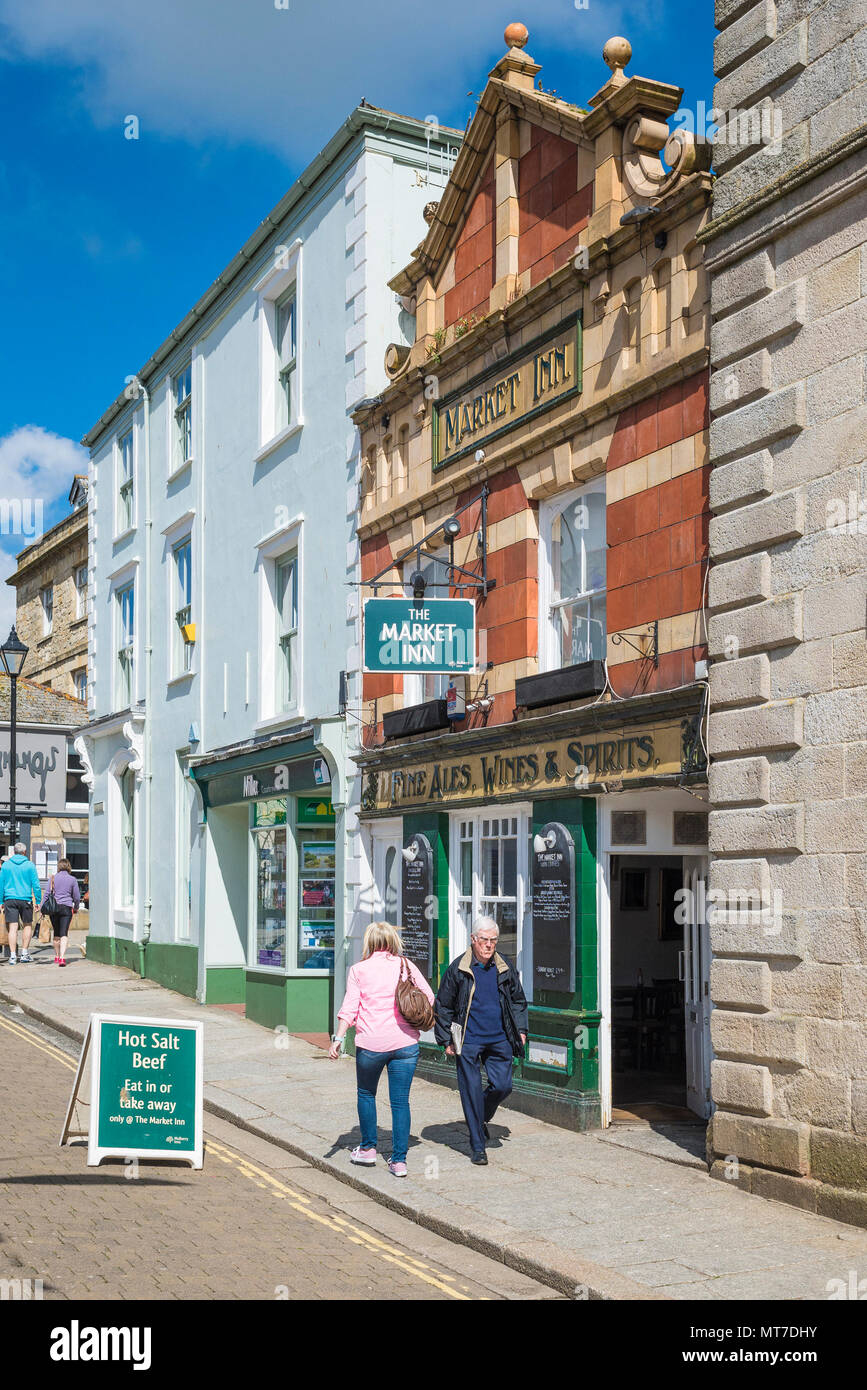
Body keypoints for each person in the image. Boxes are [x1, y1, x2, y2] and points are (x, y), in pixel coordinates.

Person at [329, 921, 434, 1178]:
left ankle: (367, 1150)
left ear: (369, 942)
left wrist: (338, 1039)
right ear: (392, 942)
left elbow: (350, 1008)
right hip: (405, 1044)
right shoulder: (406, 966)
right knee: (400, 1103)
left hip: (371, 1045)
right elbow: (429, 997)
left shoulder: (358, 970)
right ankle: (398, 1162)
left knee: (366, 1094)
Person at [435, 916, 528, 1166]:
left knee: (503, 1086)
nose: (489, 945)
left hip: (500, 1037)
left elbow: (518, 1000)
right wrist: (446, 1039)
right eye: (484, 940)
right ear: (473, 940)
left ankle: (480, 1117)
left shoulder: (504, 966)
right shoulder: (458, 969)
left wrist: (520, 1029)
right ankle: (477, 1146)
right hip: (468, 1039)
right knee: (471, 1091)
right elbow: (443, 1006)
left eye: (494, 940)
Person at [0, 843, 42, 965]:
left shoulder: (6, 865)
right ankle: (24, 953)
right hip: (25, 899)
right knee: (27, 925)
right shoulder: (30, 865)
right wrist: (38, 901)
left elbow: (1, 884)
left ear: (14, 852)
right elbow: (36, 885)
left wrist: (1, 901)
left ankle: (13, 956)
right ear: (24, 852)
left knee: (12, 928)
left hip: (10, 899)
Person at [40, 858, 80, 966]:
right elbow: (76, 896)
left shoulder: (52, 878)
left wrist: (41, 907)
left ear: (59, 867)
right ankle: (62, 958)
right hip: (66, 908)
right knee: (64, 933)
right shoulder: (72, 879)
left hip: (54, 909)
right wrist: (76, 907)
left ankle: (57, 956)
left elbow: (47, 894)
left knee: (56, 933)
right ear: (68, 867)